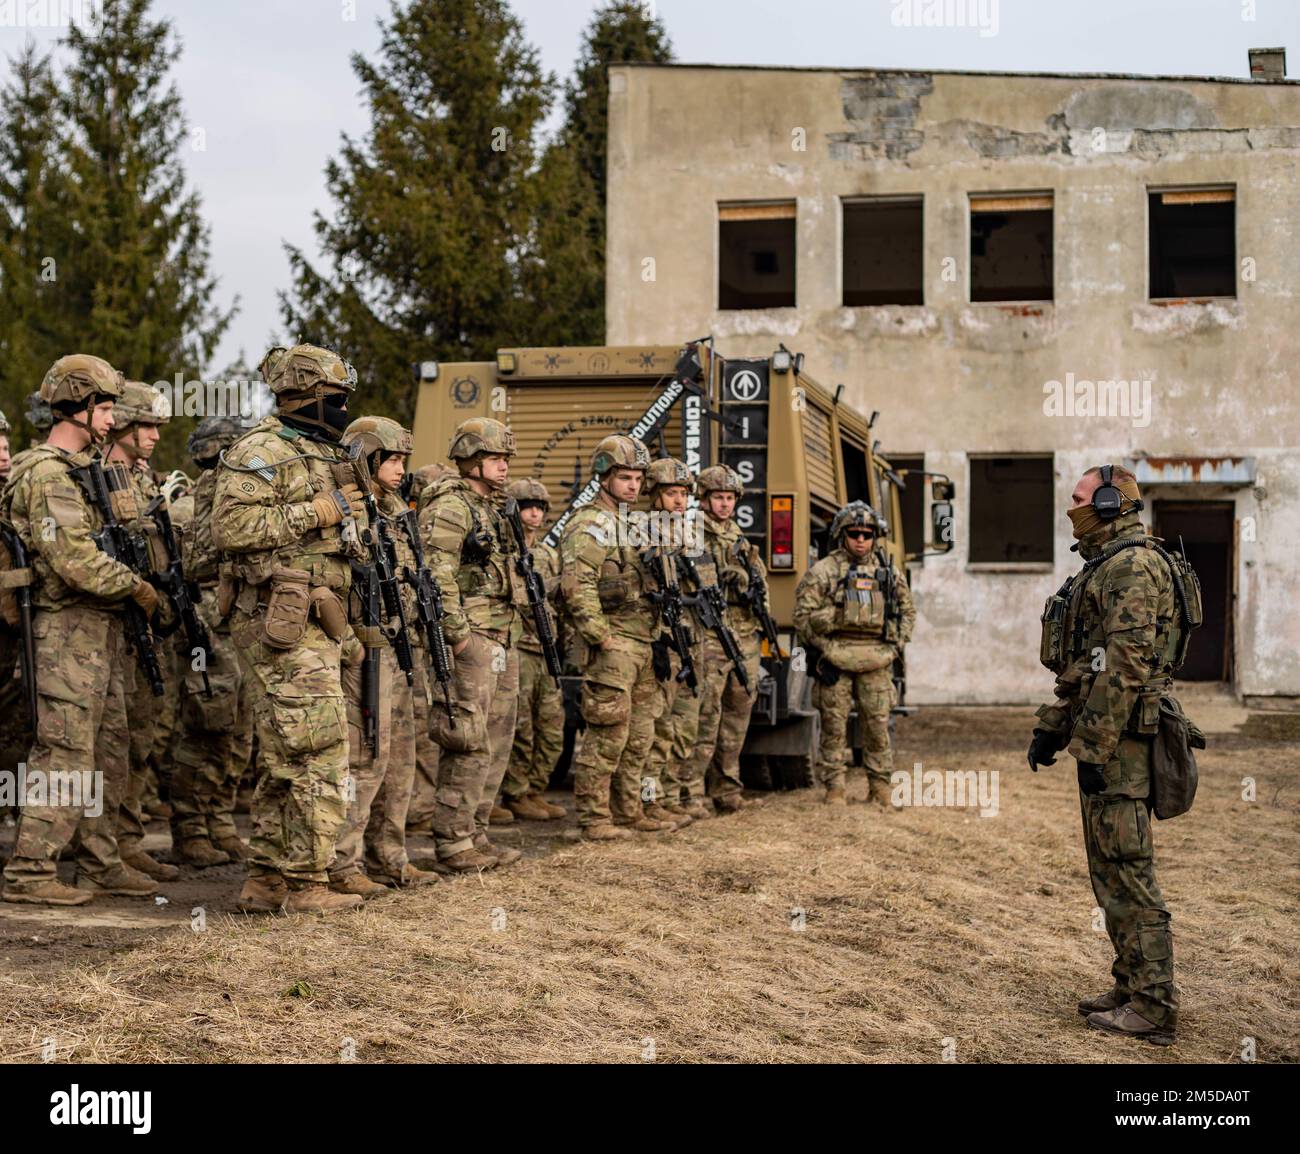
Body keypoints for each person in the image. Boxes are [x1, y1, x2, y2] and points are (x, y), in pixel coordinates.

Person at [1028, 464, 1190, 1046]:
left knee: (1127, 868)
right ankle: (1130, 985)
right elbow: (1089, 663)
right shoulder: (1105, 566)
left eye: (1076, 499)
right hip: (1109, 738)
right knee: (1108, 869)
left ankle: (1152, 1006)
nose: (1070, 508)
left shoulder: (1132, 566)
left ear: (1106, 501)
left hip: (1124, 743)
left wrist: (1093, 744)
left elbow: (1125, 664)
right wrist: (1053, 726)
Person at [212, 344, 369, 915]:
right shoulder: (261, 450)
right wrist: (319, 511)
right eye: (336, 400)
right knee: (318, 751)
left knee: (287, 755)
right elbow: (232, 527)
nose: (344, 410)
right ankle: (307, 882)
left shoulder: (322, 450)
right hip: (279, 619)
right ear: (302, 397)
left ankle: (265, 880)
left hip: (315, 619)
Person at [1, 355, 158, 906]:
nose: (113, 419)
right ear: (81, 405)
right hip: (63, 631)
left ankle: (99, 861)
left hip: (97, 631)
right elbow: (74, 560)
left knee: (106, 751)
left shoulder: (84, 469)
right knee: (63, 753)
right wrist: (137, 587)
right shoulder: (46, 472)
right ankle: (30, 871)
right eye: (107, 407)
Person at [327, 415, 438, 895]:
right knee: (366, 754)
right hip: (364, 645)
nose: (398, 468)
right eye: (389, 458)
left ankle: (389, 854)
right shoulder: (349, 508)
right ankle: (342, 862)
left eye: (401, 460)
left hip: (401, 643)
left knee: (401, 756)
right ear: (365, 459)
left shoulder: (395, 508)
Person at [418, 418, 524, 872]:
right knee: (467, 737)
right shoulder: (451, 506)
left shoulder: (496, 508)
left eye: (504, 460)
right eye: (496, 459)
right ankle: (453, 841)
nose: (503, 467)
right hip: (473, 637)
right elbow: (435, 573)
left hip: (502, 632)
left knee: (497, 739)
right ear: (473, 460)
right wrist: (457, 635)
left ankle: (476, 832)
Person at [559, 435, 675, 840]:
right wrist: (600, 636)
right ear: (604, 477)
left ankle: (628, 811)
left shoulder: (632, 524)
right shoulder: (590, 524)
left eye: (639, 478)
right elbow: (576, 584)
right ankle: (594, 818)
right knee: (608, 736)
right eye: (624, 477)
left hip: (643, 642)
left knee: (640, 737)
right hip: (614, 646)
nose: (634, 485)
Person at [105, 380, 182, 883]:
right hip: (115, 619)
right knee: (115, 738)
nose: (154, 435)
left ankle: (126, 839)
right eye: (146, 425)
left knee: (144, 735)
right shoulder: (101, 477)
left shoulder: (143, 478)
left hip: (150, 622)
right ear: (124, 425)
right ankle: (103, 845)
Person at [169, 416, 253, 867]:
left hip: (237, 628)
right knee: (203, 728)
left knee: (238, 734)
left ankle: (219, 818)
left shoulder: (241, 499)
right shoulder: (191, 507)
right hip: (206, 631)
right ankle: (189, 828)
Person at [793, 501, 915, 806]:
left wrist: (894, 644)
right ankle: (835, 788)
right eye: (854, 533)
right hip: (836, 659)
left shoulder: (889, 573)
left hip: (877, 660)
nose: (861, 540)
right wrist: (824, 647)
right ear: (841, 534)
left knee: (877, 727)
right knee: (833, 727)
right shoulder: (824, 571)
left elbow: (907, 611)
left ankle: (880, 787)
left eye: (867, 534)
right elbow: (802, 617)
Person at [683, 465, 765, 814]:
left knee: (737, 713)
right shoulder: (691, 535)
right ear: (703, 500)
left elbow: (759, 585)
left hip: (743, 634)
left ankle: (727, 789)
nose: (724, 504)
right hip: (710, 634)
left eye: (730, 498)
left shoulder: (740, 539)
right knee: (706, 715)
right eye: (718, 497)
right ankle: (691, 792)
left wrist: (749, 587)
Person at [643, 456, 712, 824]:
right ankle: (649, 799)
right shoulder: (643, 534)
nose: (679, 500)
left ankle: (667, 794)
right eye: (671, 493)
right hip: (662, 641)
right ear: (654, 494)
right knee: (656, 727)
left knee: (680, 726)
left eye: (684, 494)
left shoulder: (689, 534)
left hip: (691, 639)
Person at [498, 478, 566, 822]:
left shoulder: (549, 555)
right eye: (528, 507)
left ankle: (534, 789)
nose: (535, 514)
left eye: (540, 508)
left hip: (545, 648)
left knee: (553, 728)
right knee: (520, 728)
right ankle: (512, 792)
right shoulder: (504, 552)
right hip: (519, 647)